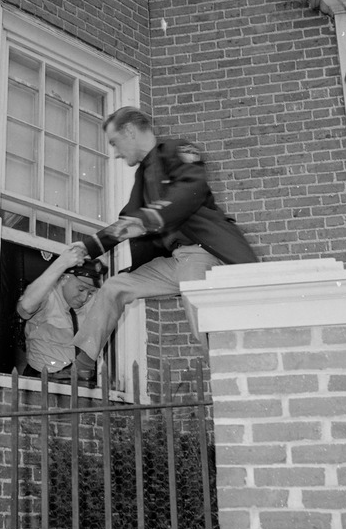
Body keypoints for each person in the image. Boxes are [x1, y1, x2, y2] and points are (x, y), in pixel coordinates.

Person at [69, 106, 258, 380]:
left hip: (201, 254)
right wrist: (89, 246)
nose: (116, 153)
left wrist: (149, 218)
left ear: (129, 131)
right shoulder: (142, 176)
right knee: (114, 287)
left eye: (114, 143)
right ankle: (83, 364)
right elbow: (128, 222)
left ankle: (231, 378)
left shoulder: (177, 150)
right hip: (175, 261)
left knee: (200, 313)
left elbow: (190, 190)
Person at [17, 244, 106, 381]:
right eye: (81, 289)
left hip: (80, 380)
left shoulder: (92, 301)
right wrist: (62, 263)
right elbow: (25, 308)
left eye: (90, 292)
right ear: (64, 279)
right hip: (44, 378)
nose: (84, 298)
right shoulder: (47, 295)